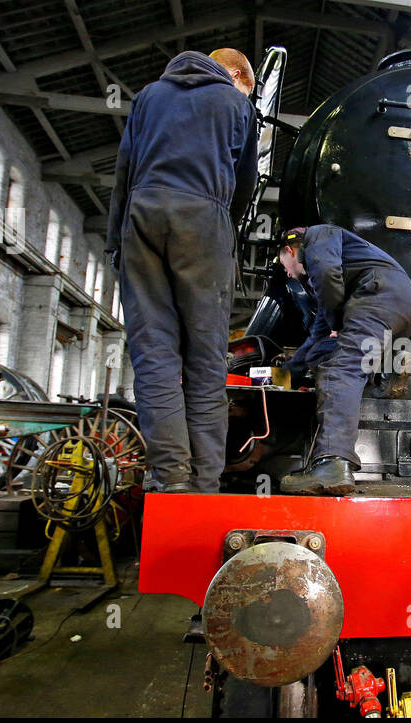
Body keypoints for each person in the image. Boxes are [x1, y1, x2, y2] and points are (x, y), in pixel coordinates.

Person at [105, 49, 258, 493]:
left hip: (141, 215)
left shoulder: (149, 96)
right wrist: (222, 228)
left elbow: (123, 171)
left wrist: (117, 242)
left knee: (154, 356)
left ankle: (169, 478)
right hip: (203, 217)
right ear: (235, 75)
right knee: (206, 361)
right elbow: (244, 182)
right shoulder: (236, 103)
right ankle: (204, 483)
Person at [276, 226, 411, 495]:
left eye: (284, 266)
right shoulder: (336, 280)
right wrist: (287, 376)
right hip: (399, 306)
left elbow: (327, 276)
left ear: (289, 251)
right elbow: (318, 338)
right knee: (337, 359)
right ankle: (385, 370)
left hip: (377, 295)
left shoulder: (317, 236)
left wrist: (336, 323)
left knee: (341, 371)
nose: (287, 272)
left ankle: (332, 464)